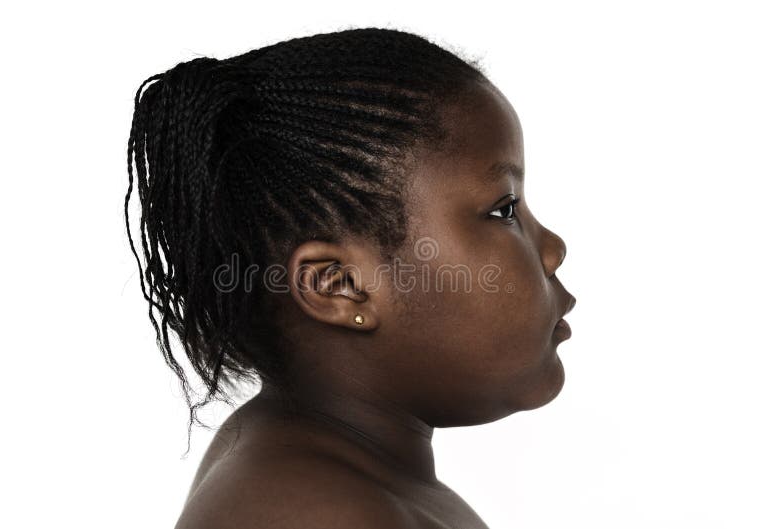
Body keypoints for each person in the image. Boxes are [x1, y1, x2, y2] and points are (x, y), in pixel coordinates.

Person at [125, 26, 576, 529]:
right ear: (339, 286)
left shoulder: (350, 476)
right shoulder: (319, 513)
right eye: (503, 209)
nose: (554, 249)